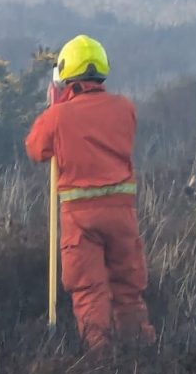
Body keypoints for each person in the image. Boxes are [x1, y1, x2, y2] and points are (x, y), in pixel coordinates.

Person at [25, 35, 154, 350]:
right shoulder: (125, 109)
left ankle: (100, 365)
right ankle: (143, 358)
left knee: (89, 291)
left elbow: (35, 149)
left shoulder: (58, 116)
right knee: (128, 289)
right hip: (122, 214)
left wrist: (55, 107)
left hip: (80, 217)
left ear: (66, 75)